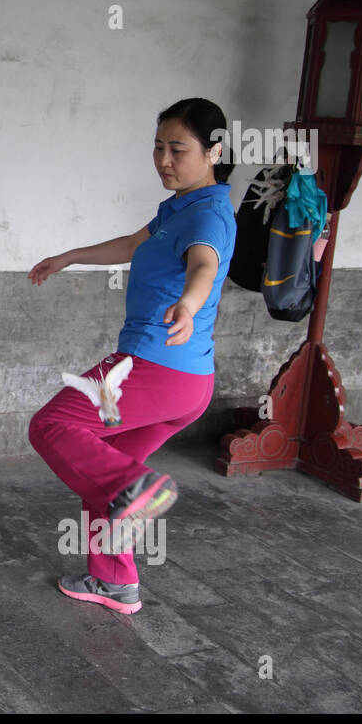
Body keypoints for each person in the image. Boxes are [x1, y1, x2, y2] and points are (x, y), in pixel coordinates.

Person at [27, 98, 236, 614]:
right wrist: (71, 256)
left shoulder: (208, 212)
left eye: (178, 149)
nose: (164, 160)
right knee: (107, 475)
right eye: (158, 148)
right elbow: (132, 243)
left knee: (52, 427)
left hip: (155, 365)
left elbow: (204, 266)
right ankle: (115, 581)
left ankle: (138, 488)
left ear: (215, 151)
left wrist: (188, 304)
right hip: (188, 382)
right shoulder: (179, 207)